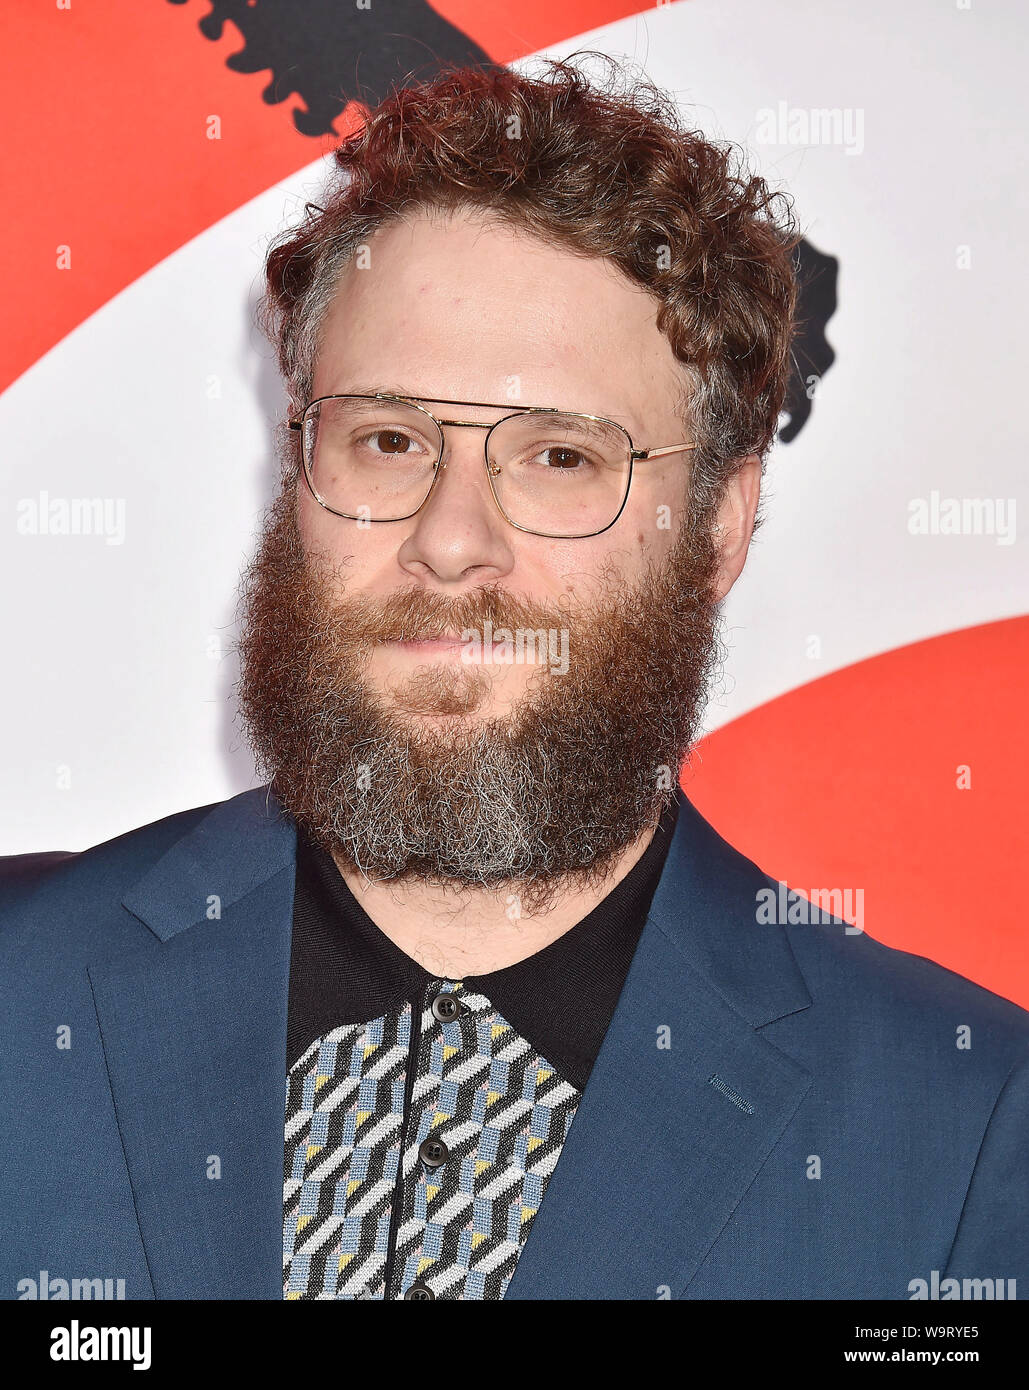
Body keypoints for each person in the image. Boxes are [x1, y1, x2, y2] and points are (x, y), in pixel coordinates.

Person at [3, 54, 1027, 1303]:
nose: (449, 540)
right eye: (388, 440)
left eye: (556, 459)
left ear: (717, 529)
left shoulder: (966, 1138)